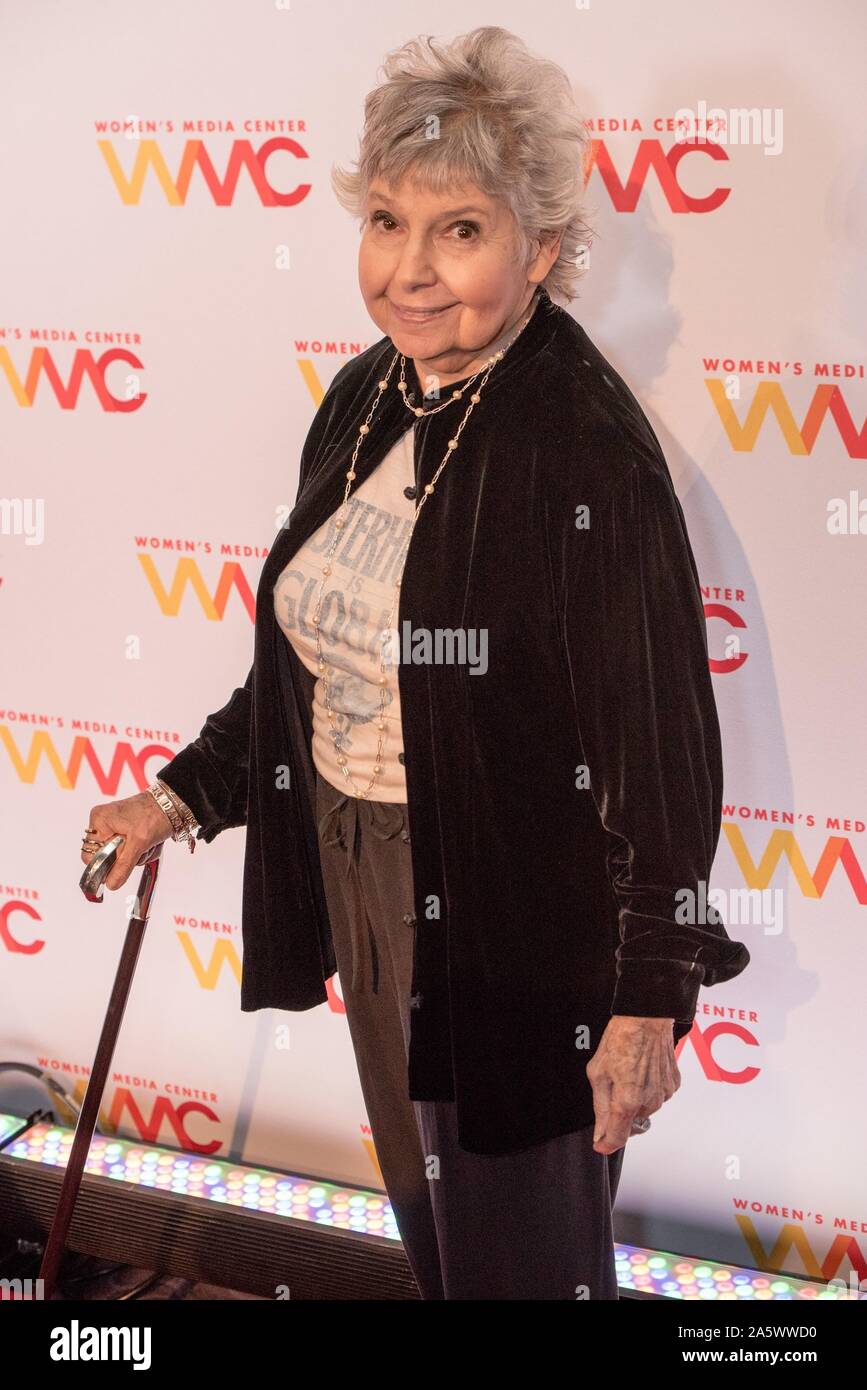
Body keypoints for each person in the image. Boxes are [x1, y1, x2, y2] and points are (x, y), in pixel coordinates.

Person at [81, 26, 750, 1300]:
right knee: (439, 1238)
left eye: (460, 230)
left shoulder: (581, 446)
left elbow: (657, 743)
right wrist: (177, 796)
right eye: (388, 221)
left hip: (513, 920)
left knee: (523, 1263)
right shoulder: (366, 398)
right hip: (367, 874)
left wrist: (648, 997)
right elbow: (310, 660)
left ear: (543, 249)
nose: (409, 271)